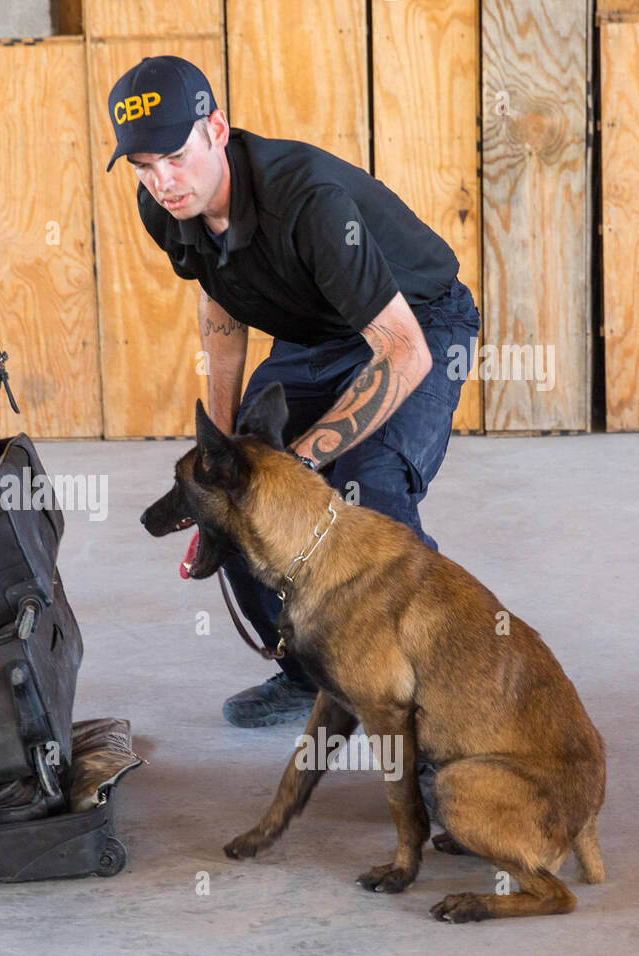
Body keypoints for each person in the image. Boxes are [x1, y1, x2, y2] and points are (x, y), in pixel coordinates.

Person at [107, 56, 481, 728]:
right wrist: (215, 462)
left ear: (215, 128)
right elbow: (220, 312)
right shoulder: (164, 207)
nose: (161, 181)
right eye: (142, 167)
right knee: (232, 498)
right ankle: (312, 678)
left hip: (415, 324)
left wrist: (295, 464)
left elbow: (404, 351)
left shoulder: (307, 202)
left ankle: (442, 714)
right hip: (314, 337)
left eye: (174, 156)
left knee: (374, 491)